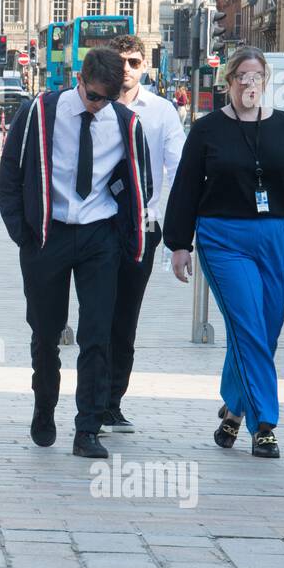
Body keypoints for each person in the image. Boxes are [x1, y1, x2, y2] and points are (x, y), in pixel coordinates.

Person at [163, 47, 284, 459]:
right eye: (242, 77)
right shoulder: (207, 130)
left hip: (277, 235)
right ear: (229, 82)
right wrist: (179, 243)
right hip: (224, 238)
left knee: (265, 331)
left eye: (256, 77)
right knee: (248, 327)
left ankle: (234, 408)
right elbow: (186, 185)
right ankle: (264, 424)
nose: (249, 84)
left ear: (266, 81)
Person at [0, 48, 152, 459]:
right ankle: (44, 405)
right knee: (46, 332)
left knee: (97, 333)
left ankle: (88, 428)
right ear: (78, 81)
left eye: (108, 98)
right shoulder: (40, 112)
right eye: (94, 96)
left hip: (99, 237)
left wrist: (122, 237)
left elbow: (141, 180)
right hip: (48, 235)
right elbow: (9, 173)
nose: (99, 106)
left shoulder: (125, 122)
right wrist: (23, 234)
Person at [101, 35, 186, 434]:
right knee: (97, 314)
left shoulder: (162, 112)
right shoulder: (91, 104)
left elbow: (179, 168)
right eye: (119, 62)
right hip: (95, 226)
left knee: (125, 318)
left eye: (134, 62)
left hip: (141, 228)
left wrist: (160, 217)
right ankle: (92, 401)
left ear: (144, 65)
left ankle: (112, 400)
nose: (127, 70)